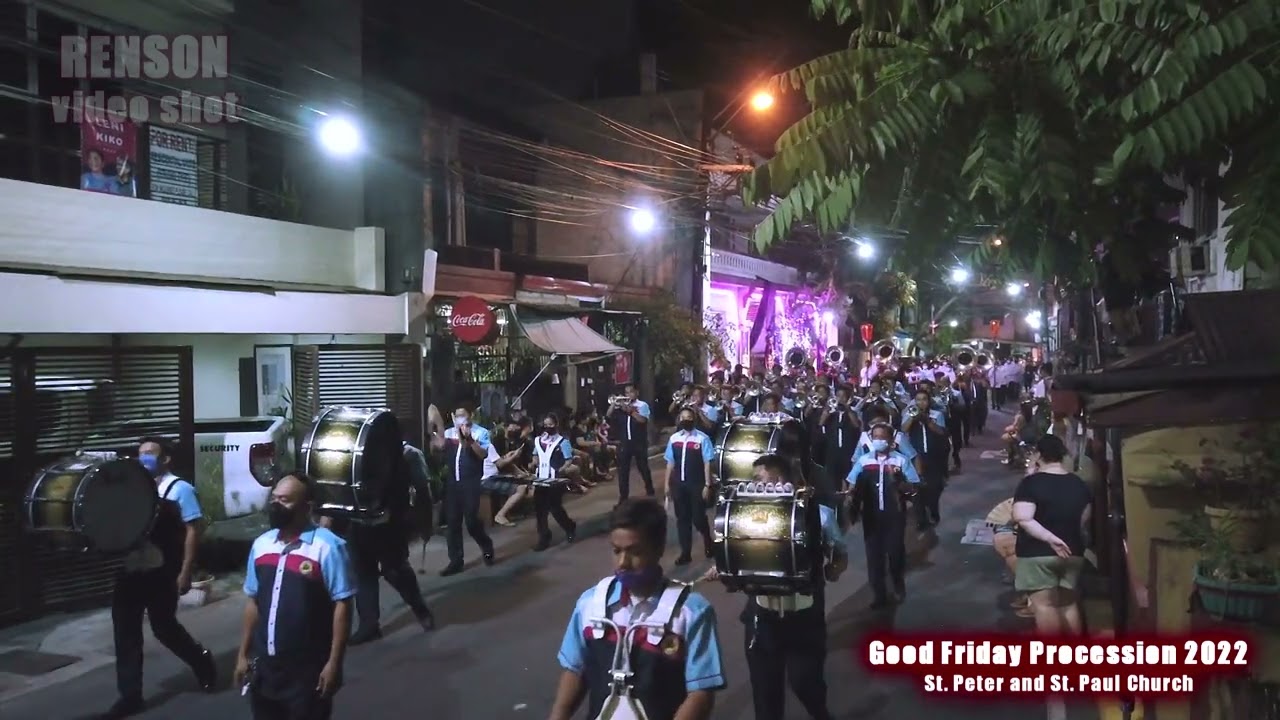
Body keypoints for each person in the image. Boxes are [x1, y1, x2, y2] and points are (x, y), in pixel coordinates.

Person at [549, 499, 726, 720]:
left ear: (659, 548)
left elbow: (700, 693)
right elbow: (575, 670)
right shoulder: (590, 604)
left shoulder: (691, 612)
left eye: (635, 552)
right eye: (616, 551)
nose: (622, 563)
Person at [711, 454, 846, 720]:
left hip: (804, 616)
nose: (756, 485)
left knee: (806, 684)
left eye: (761, 479)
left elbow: (840, 554)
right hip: (763, 617)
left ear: (782, 479)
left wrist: (834, 569)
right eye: (754, 480)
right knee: (765, 696)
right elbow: (732, 552)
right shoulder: (746, 518)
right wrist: (723, 569)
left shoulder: (819, 515)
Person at [102, 438, 216, 719]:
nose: (144, 459)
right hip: (131, 569)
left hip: (162, 569)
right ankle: (130, 696)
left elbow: (192, 531)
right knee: (125, 631)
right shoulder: (132, 489)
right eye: (140, 454)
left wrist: (186, 571)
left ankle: (201, 660)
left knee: (164, 627)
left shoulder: (180, 489)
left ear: (166, 459)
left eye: (150, 454)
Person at [235, 474, 354, 720]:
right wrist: (243, 654)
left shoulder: (328, 547)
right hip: (265, 670)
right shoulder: (261, 545)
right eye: (274, 498)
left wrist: (334, 663)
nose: (276, 505)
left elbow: (342, 606)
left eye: (285, 500)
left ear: (306, 507)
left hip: (307, 671)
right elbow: (253, 602)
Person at [1012, 434, 1091, 720]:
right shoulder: (1079, 484)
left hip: (1038, 553)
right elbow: (1084, 519)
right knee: (1068, 603)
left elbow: (1022, 517)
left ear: (1038, 455)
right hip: (1074, 552)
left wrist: (1050, 538)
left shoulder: (1032, 484)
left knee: (1045, 606)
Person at [342, 437, 436, 644]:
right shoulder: (357, 451)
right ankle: (369, 626)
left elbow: (423, 491)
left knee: (396, 571)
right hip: (359, 522)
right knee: (363, 574)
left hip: (390, 524)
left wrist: (426, 523)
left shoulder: (409, 454)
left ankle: (420, 609)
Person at [847, 423, 921, 609]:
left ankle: (897, 583)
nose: (878, 441)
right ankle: (879, 595)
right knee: (874, 558)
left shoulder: (901, 461)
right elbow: (852, 483)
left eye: (882, 437)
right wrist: (851, 499)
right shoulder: (864, 461)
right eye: (875, 437)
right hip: (871, 516)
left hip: (894, 515)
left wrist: (899, 482)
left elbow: (913, 488)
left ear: (890, 440)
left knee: (895, 553)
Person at [431, 405, 496, 576]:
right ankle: (456, 561)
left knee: (471, 521)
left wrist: (469, 440)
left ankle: (486, 546)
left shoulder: (481, 433)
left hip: (470, 483)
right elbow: (437, 448)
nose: (460, 418)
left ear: (470, 415)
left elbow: (483, 455)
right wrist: (434, 433)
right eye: (457, 415)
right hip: (453, 483)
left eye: (463, 415)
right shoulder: (449, 433)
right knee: (452, 523)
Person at [663, 406, 716, 565]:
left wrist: (707, 484)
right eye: (683, 417)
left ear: (694, 419)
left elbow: (707, 462)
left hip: (697, 484)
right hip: (679, 484)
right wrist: (667, 484)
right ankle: (685, 553)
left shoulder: (702, 439)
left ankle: (708, 540)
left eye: (689, 417)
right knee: (682, 519)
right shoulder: (674, 439)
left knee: (698, 518)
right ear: (679, 419)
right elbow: (670, 462)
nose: (686, 420)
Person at [528, 412, 579, 551]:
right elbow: (535, 456)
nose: (547, 427)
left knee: (555, 508)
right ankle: (544, 537)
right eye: (545, 425)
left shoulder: (563, 442)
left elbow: (568, 460)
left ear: (556, 424)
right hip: (540, 479)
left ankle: (569, 526)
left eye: (550, 424)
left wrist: (561, 470)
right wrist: (533, 463)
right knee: (540, 510)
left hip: (556, 480)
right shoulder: (539, 441)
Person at [900, 390, 949, 530]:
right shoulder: (910, 414)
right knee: (917, 490)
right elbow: (904, 429)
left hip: (934, 457)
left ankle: (933, 511)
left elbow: (941, 432)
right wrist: (913, 418)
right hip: (916, 458)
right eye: (918, 400)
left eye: (924, 399)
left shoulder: (936, 414)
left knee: (934, 489)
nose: (921, 403)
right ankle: (921, 520)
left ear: (929, 401)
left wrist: (927, 420)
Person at [608, 383, 655, 501]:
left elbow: (643, 420)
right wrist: (614, 404)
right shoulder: (620, 407)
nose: (629, 394)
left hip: (639, 442)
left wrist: (630, 411)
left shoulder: (642, 405)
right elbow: (608, 415)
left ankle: (650, 490)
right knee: (623, 471)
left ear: (636, 393)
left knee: (643, 467)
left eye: (631, 392)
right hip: (624, 442)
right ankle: (623, 497)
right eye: (626, 392)